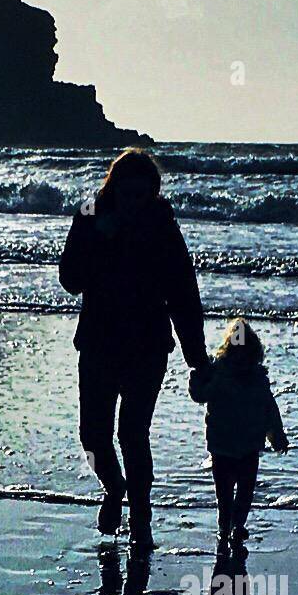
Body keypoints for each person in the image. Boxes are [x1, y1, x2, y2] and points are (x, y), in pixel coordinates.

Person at [59, 148, 207, 549]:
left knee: (133, 434)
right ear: (114, 188)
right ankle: (114, 488)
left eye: (143, 196)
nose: (135, 204)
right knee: (93, 437)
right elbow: (70, 278)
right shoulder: (90, 215)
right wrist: (100, 241)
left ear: (153, 195)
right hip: (98, 343)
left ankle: (141, 519)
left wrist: (198, 361)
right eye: (128, 194)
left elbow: (184, 295)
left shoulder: (162, 227)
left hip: (147, 346)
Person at [188, 316, 289, 547]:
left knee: (236, 493)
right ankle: (229, 527)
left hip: (235, 446)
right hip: (234, 447)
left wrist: (276, 435)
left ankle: (233, 526)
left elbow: (269, 410)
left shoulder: (240, 377)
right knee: (233, 494)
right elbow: (200, 395)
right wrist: (276, 436)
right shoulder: (228, 376)